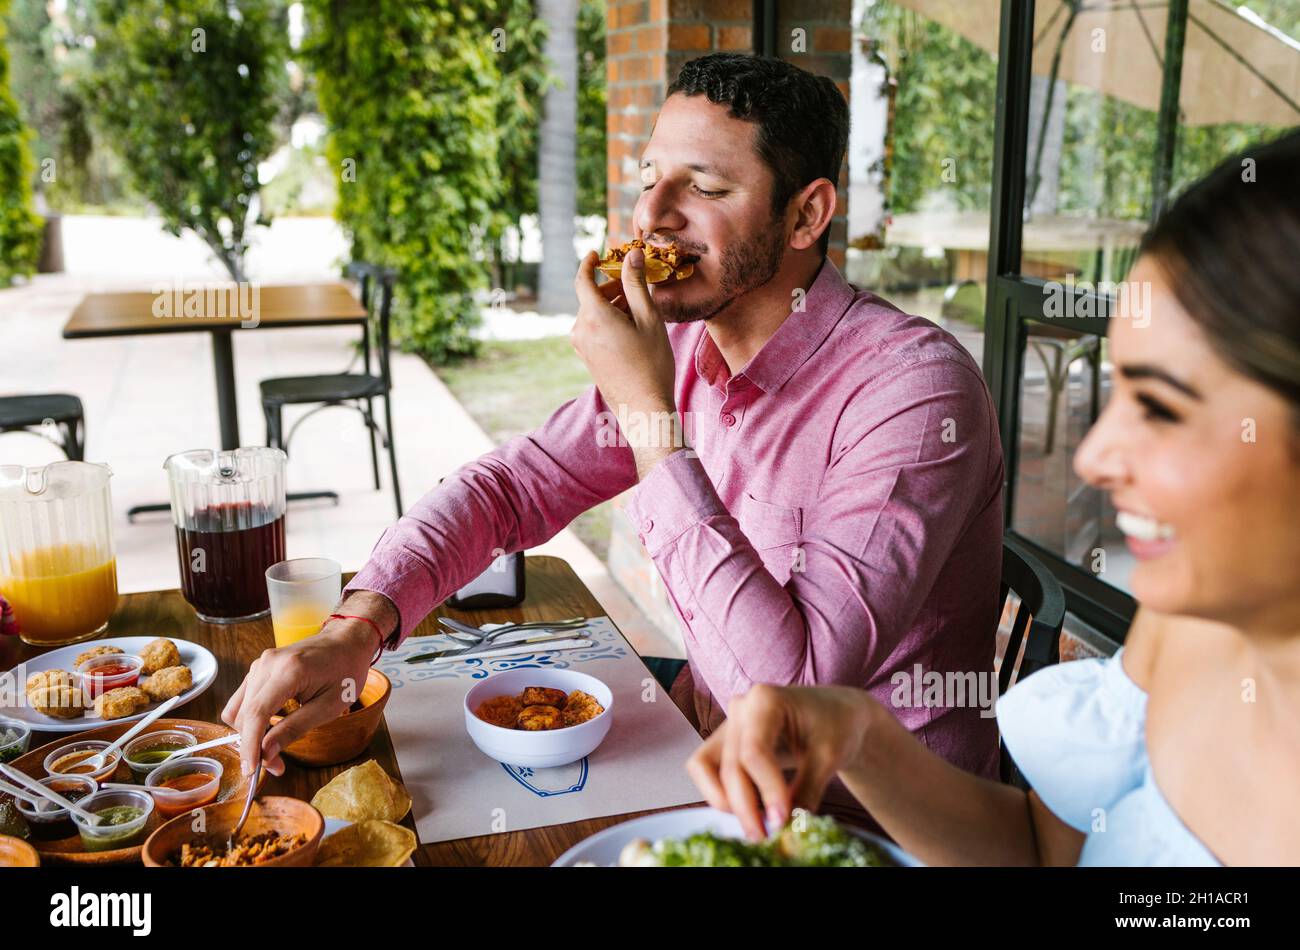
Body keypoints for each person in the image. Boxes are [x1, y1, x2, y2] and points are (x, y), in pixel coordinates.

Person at [224, 52, 1005, 787]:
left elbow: (792, 705)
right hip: (705, 752)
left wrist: (646, 414)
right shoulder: (692, 342)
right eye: (648, 178)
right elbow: (512, 487)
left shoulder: (915, 392)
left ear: (807, 216)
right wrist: (354, 628)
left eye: (704, 187)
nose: (653, 216)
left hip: (864, 822)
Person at [685, 130, 1300, 865]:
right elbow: (1043, 852)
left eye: (1162, 408)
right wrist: (858, 733)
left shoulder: (909, 382)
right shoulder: (1185, 629)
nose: (1094, 456)